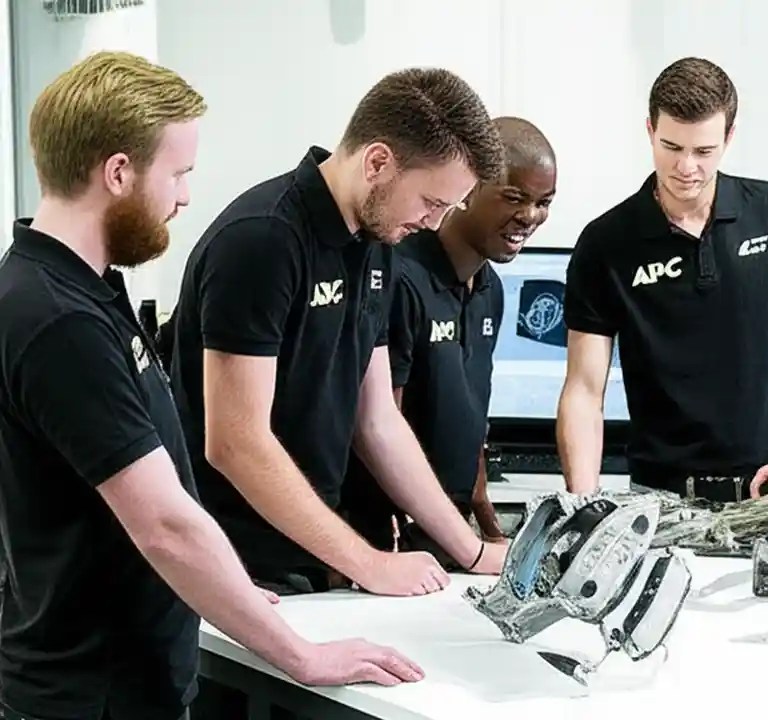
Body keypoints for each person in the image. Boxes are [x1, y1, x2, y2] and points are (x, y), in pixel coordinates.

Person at [0, 51, 422, 720]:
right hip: (90, 693)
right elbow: (164, 523)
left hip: (134, 674)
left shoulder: (87, 291)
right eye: (178, 173)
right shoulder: (57, 321)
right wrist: (302, 655)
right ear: (118, 173)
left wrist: (236, 595)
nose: (186, 196)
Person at [166, 67, 510, 604]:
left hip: (308, 561)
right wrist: (368, 562)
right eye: (432, 203)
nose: (436, 222)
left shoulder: (376, 245)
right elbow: (235, 442)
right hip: (231, 567)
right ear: (377, 162)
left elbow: (375, 421)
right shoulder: (263, 241)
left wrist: (472, 551)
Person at [557, 57, 768, 503]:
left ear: (729, 137)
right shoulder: (605, 243)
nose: (686, 167)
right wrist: (583, 503)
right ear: (650, 130)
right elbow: (583, 388)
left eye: (703, 151)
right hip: (659, 500)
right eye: (672, 147)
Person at [344, 116, 557, 558]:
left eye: (544, 202)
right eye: (515, 197)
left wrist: (482, 510)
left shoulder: (490, 289)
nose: (530, 215)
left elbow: (471, 411)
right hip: (395, 534)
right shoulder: (400, 277)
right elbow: (380, 420)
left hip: (450, 530)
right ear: (468, 189)